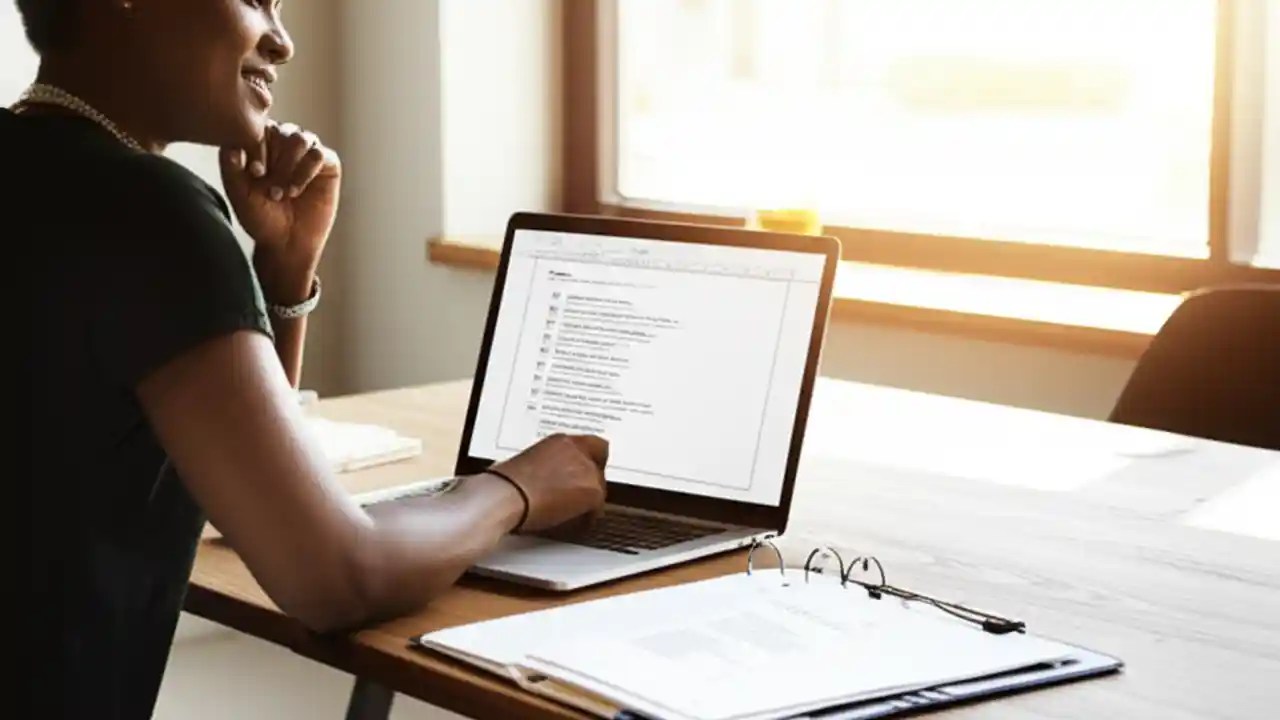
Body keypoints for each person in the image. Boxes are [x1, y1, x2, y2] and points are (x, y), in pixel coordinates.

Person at [13, 1, 609, 717]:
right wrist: (514, 488)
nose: (284, 41)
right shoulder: (150, 212)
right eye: (254, 0)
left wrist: (282, 276)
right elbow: (336, 580)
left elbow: (243, 503)